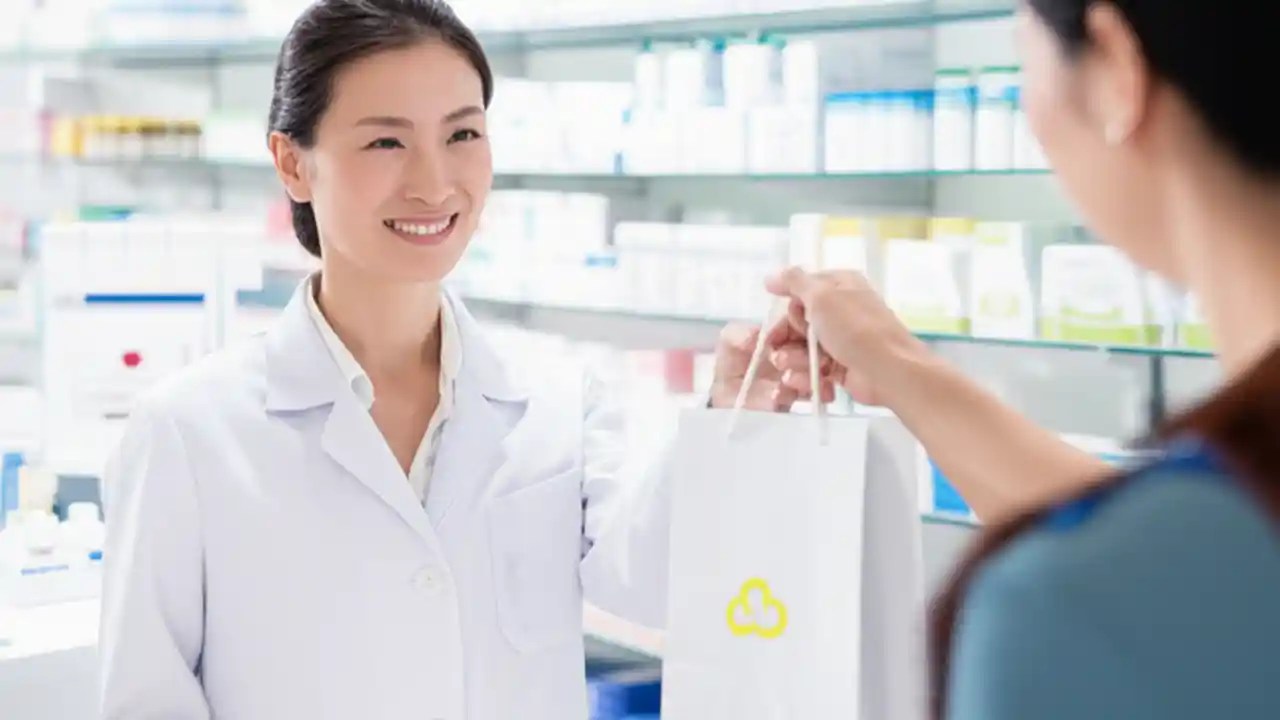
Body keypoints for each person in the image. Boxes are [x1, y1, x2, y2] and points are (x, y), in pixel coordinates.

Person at [97, 2, 811, 718]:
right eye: (386, 143)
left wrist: (728, 420)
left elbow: (649, 586)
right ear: (293, 163)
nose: (435, 183)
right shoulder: (188, 431)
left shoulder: (556, 398)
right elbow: (144, 700)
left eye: (462, 133)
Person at [769, 0, 1280, 718]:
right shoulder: (1207, 533)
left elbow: (1148, 578)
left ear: (1115, 70)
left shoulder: (1061, 613)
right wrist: (899, 368)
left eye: (1021, 58)